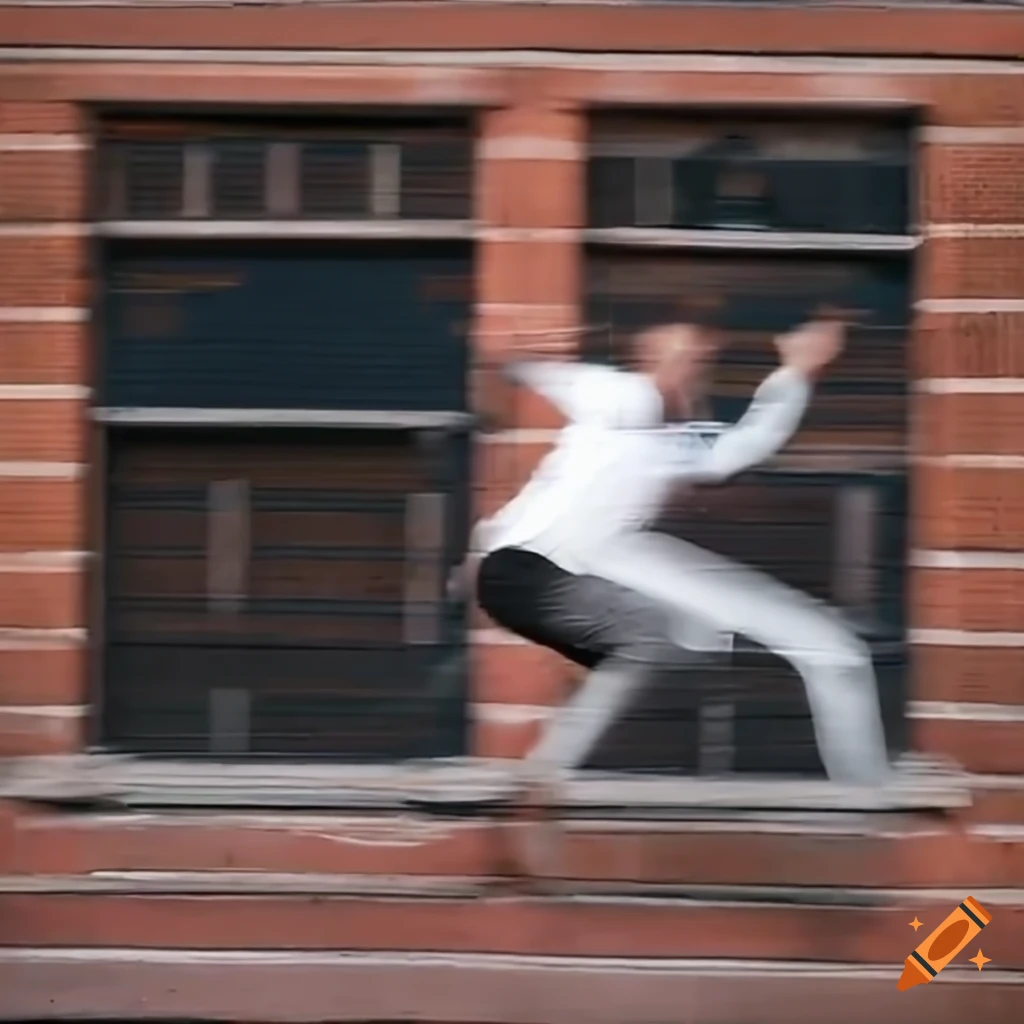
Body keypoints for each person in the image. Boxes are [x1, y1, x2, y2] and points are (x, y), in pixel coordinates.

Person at [452, 311, 892, 821]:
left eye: (698, 363)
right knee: (655, 638)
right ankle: (545, 775)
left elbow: (735, 451)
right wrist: (514, 357)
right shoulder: (620, 396)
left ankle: (863, 793)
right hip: (530, 569)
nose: (689, 373)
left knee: (693, 638)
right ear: (648, 362)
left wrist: (795, 373)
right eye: (680, 360)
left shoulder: (671, 444)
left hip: (569, 566)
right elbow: (554, 378)